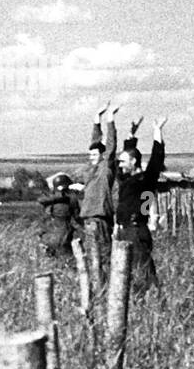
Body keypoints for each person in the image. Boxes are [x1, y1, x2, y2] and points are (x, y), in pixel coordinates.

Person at [114, 117, 165, 294]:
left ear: (134, 162)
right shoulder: (126, 179)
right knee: (127, 272)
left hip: (137, 230)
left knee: (142, 272)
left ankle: (153, 302)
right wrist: (131, 134)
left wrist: (157, 131)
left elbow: (157, 160)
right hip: (125, 229)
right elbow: (127, 152)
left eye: (123, 161)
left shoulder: (145, 180)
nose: (119, 165)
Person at [80, 102, 118, 281]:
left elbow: (109, 146)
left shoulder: (105, 168)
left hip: (101, 219)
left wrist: (110, 120)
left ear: (102, 157)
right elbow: (95, 143)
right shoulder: (90, 169)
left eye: (95, 155)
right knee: (92, 257)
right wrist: (96, 119)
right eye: (90, 155)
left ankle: (106, 285)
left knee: (104, 256)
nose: (91, 158)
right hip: (89, 219)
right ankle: (97, 286)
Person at [36, 172, 81, 258]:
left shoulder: (49, 200)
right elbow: (77, 217)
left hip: (48, 234)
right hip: (63, 234)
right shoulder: (69, 200)